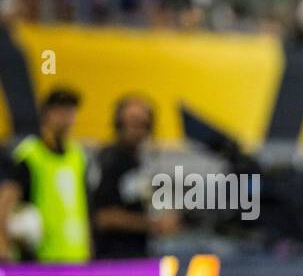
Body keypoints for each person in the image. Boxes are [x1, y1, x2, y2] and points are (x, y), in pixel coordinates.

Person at [0, 88, 91, 263]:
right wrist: (3, 243)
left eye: (70, 112)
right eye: (60, 111)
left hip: (76, 255)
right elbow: (7, 199)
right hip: (40, 256)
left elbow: (83, 206)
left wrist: (88, 246)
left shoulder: (77, 156)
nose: (66, 118)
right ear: (46, 114)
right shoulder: (30, 155)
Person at [92, 94, 179, 259]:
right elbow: (104, 217)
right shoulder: (110, 160)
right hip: (114, 257)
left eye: (143, 125)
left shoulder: (139, 161)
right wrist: (152, 224)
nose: (139, 131)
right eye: (132, 124)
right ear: (119, 125)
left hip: (138, 253)